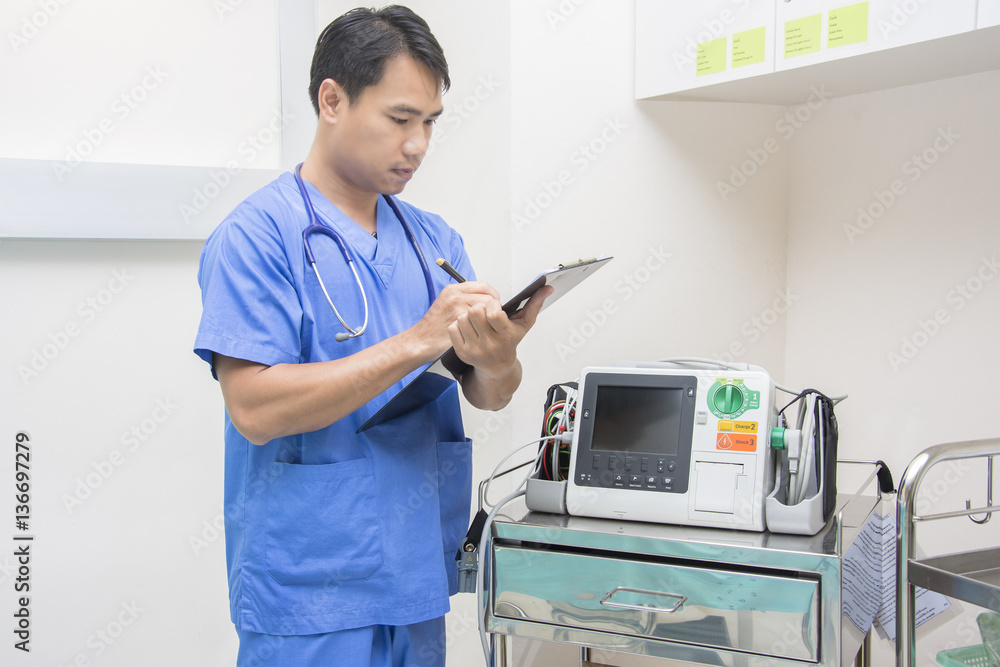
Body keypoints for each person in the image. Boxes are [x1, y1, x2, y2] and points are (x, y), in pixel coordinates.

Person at [193, 6, 550, 666]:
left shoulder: (433, 241)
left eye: (430, 124)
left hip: (414, 579)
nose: (417, 144)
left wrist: (500, 359)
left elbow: (491, 395)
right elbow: (255, 408)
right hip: (309, 591)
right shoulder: (256, 237)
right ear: (332, 99)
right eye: (399, 119)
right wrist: (417, 340)